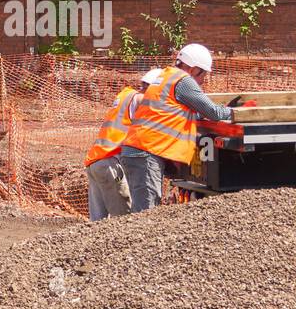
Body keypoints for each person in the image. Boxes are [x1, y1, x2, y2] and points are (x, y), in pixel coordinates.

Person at [121, 44, 233, 212]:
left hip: (139, 151)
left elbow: (178, 112)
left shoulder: (166, 76)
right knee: (146, 214)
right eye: (204, 74)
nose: (203, 81)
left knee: (144, 210)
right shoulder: (183, 81)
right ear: (195, 69)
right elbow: (213, 112)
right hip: (145, 152)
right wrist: (236, 112)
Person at [84, 69, 163, 221]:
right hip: (111, 163)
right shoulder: (141, 99)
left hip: (95, 161)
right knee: (123, 222)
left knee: (96, 222)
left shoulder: (125, 95)